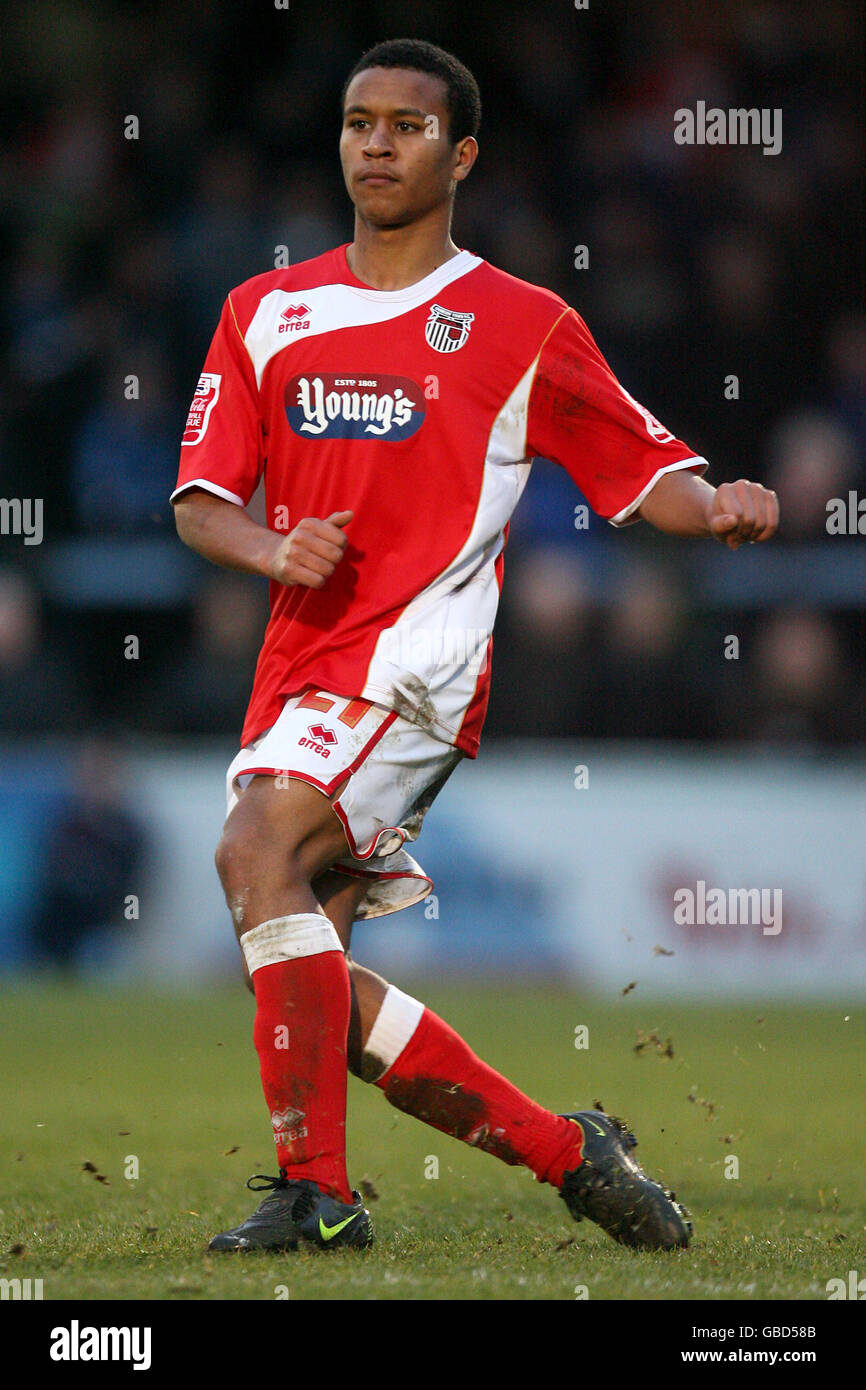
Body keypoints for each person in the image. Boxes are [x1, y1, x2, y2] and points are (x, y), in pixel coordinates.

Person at [171, 38, 779, 1255]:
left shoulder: (518, 322)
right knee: (298, 976)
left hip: (415, 667)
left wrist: (711, 504)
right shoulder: (265, 309)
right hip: (296, 673)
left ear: (461, 155)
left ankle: (316, 1194)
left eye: (404, 125)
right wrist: (268, 552)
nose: (375, 144)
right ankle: (568, 1150)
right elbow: (198, 499)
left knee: (254, 849)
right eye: (357, 122)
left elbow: (637, 463)